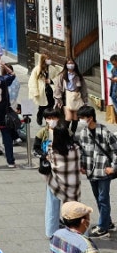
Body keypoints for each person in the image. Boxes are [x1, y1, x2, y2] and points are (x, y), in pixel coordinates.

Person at [76, 106, 117, 237]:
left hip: (103, 171)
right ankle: (107, 222)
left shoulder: (105, 132)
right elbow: (82, 151)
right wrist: (82, 165)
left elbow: (116, 150)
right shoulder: (83, 133)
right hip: (90, 171)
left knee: (103, 199)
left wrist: (113, 168)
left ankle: (103, 227)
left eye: (82, 118)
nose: (81, 120)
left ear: (90, 118)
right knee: (98, 198)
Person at [41, 110, 80, 239]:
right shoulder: (75, 149)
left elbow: (49, 161)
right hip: (72, 184)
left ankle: (51, 232)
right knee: (73, 209)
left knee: (52, 207)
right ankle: (75, 232)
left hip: (55, 182)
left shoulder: (52, 149)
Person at [54, 57, 87, 136]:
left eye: (72, 63)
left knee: (75, 118)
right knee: (68, 117)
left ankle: (72, 134)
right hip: (66, 97)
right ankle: (65, 134)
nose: (70, 65)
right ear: (66, 65)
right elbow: (58, 87)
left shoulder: (78, 75)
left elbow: (83, 88)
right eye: (69, 63)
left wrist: (85, 99)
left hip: (76, 97)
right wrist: (58, 99)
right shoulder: (62, 75)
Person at [28, 53, 55, 126]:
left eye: (50, 59)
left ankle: (48, 121)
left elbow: (56, 78)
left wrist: (51, 81)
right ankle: (39, 116)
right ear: (43, 60)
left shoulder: (52, 69)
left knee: (50, 106)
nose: (49, 60)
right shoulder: (37, 69)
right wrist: (35, 92)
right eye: (48, 59)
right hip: (42, 91)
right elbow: (32, 81)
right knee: (42, 107)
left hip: (50, 90)